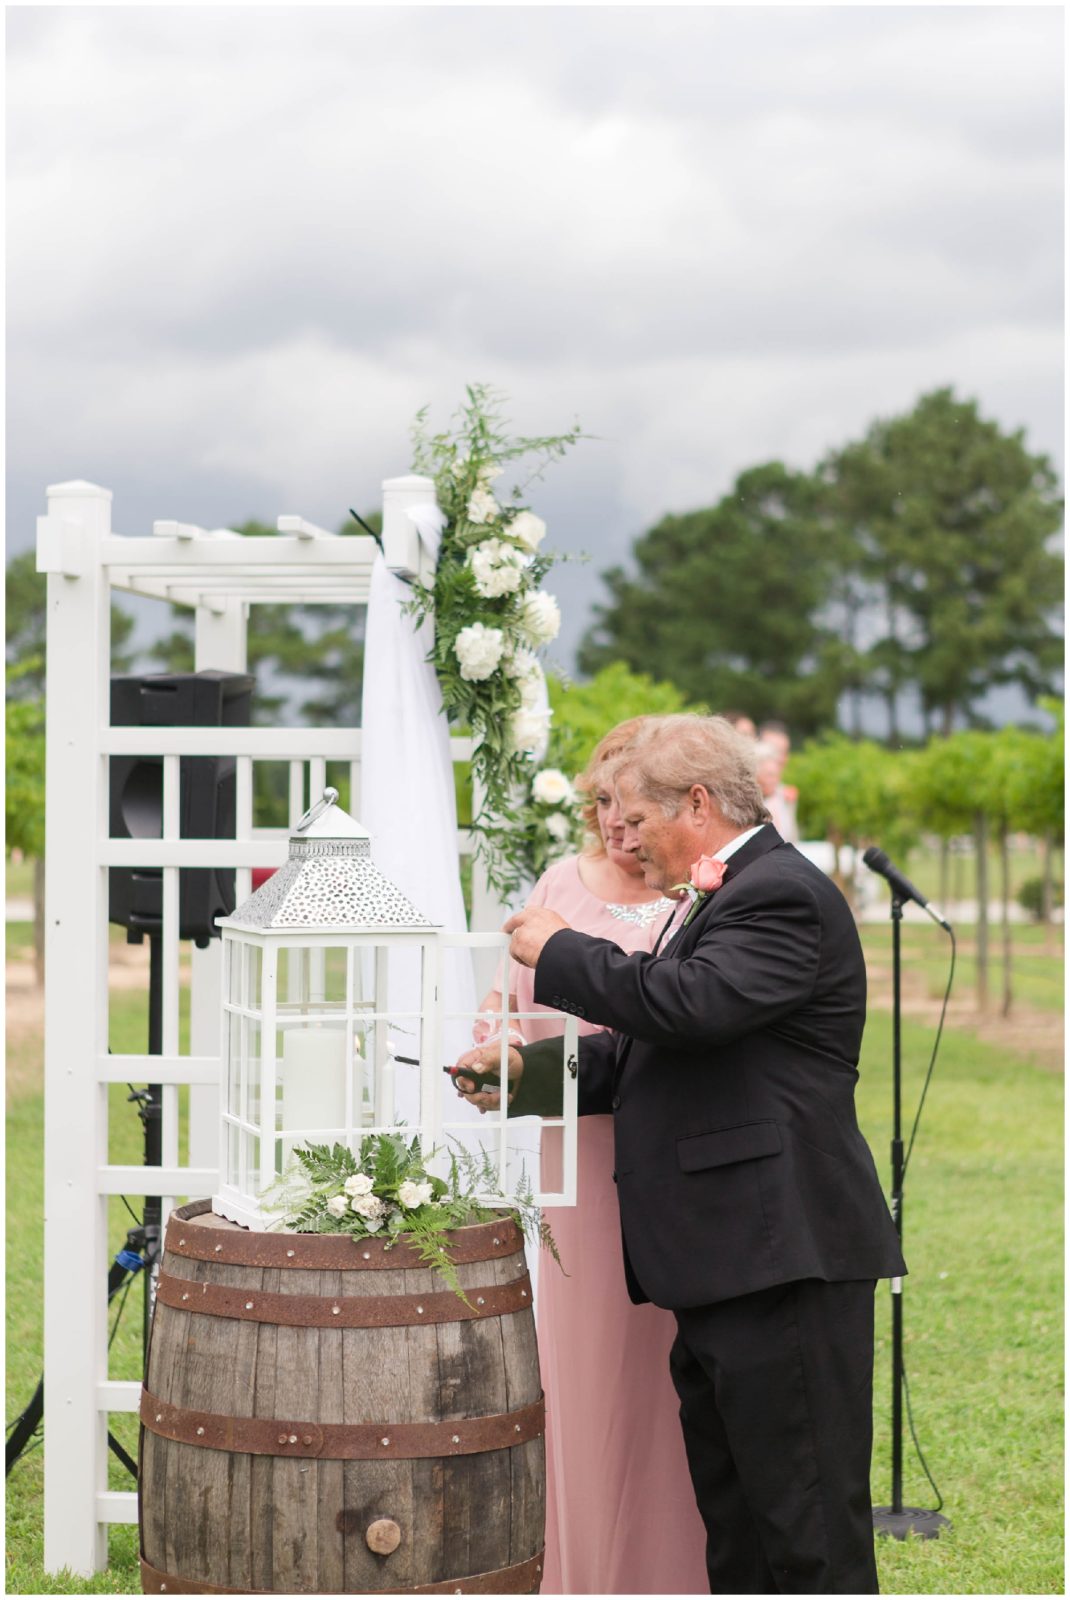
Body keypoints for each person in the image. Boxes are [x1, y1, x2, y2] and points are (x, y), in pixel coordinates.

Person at [456, 714, 904, 1595]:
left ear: (696, 805)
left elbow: (690, 1005)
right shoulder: (718, 898)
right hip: (721, 1261)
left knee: (807, 1529)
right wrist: (524, 1076)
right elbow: (650, 1054)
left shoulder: (780, 893)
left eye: (637, 817)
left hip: (781, 1257)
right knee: (736, 1528)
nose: (626, 839)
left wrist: (562, 951)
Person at [470, 717, 708, 1596]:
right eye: (603, 800)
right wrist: (493, 1051)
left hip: (670, 1168)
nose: (615, 820)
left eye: (631, 804)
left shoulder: (695, 897)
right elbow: (504, 1004)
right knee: (586, 1382)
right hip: (575, 1169)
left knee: (670, 1386)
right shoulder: (557, 885)